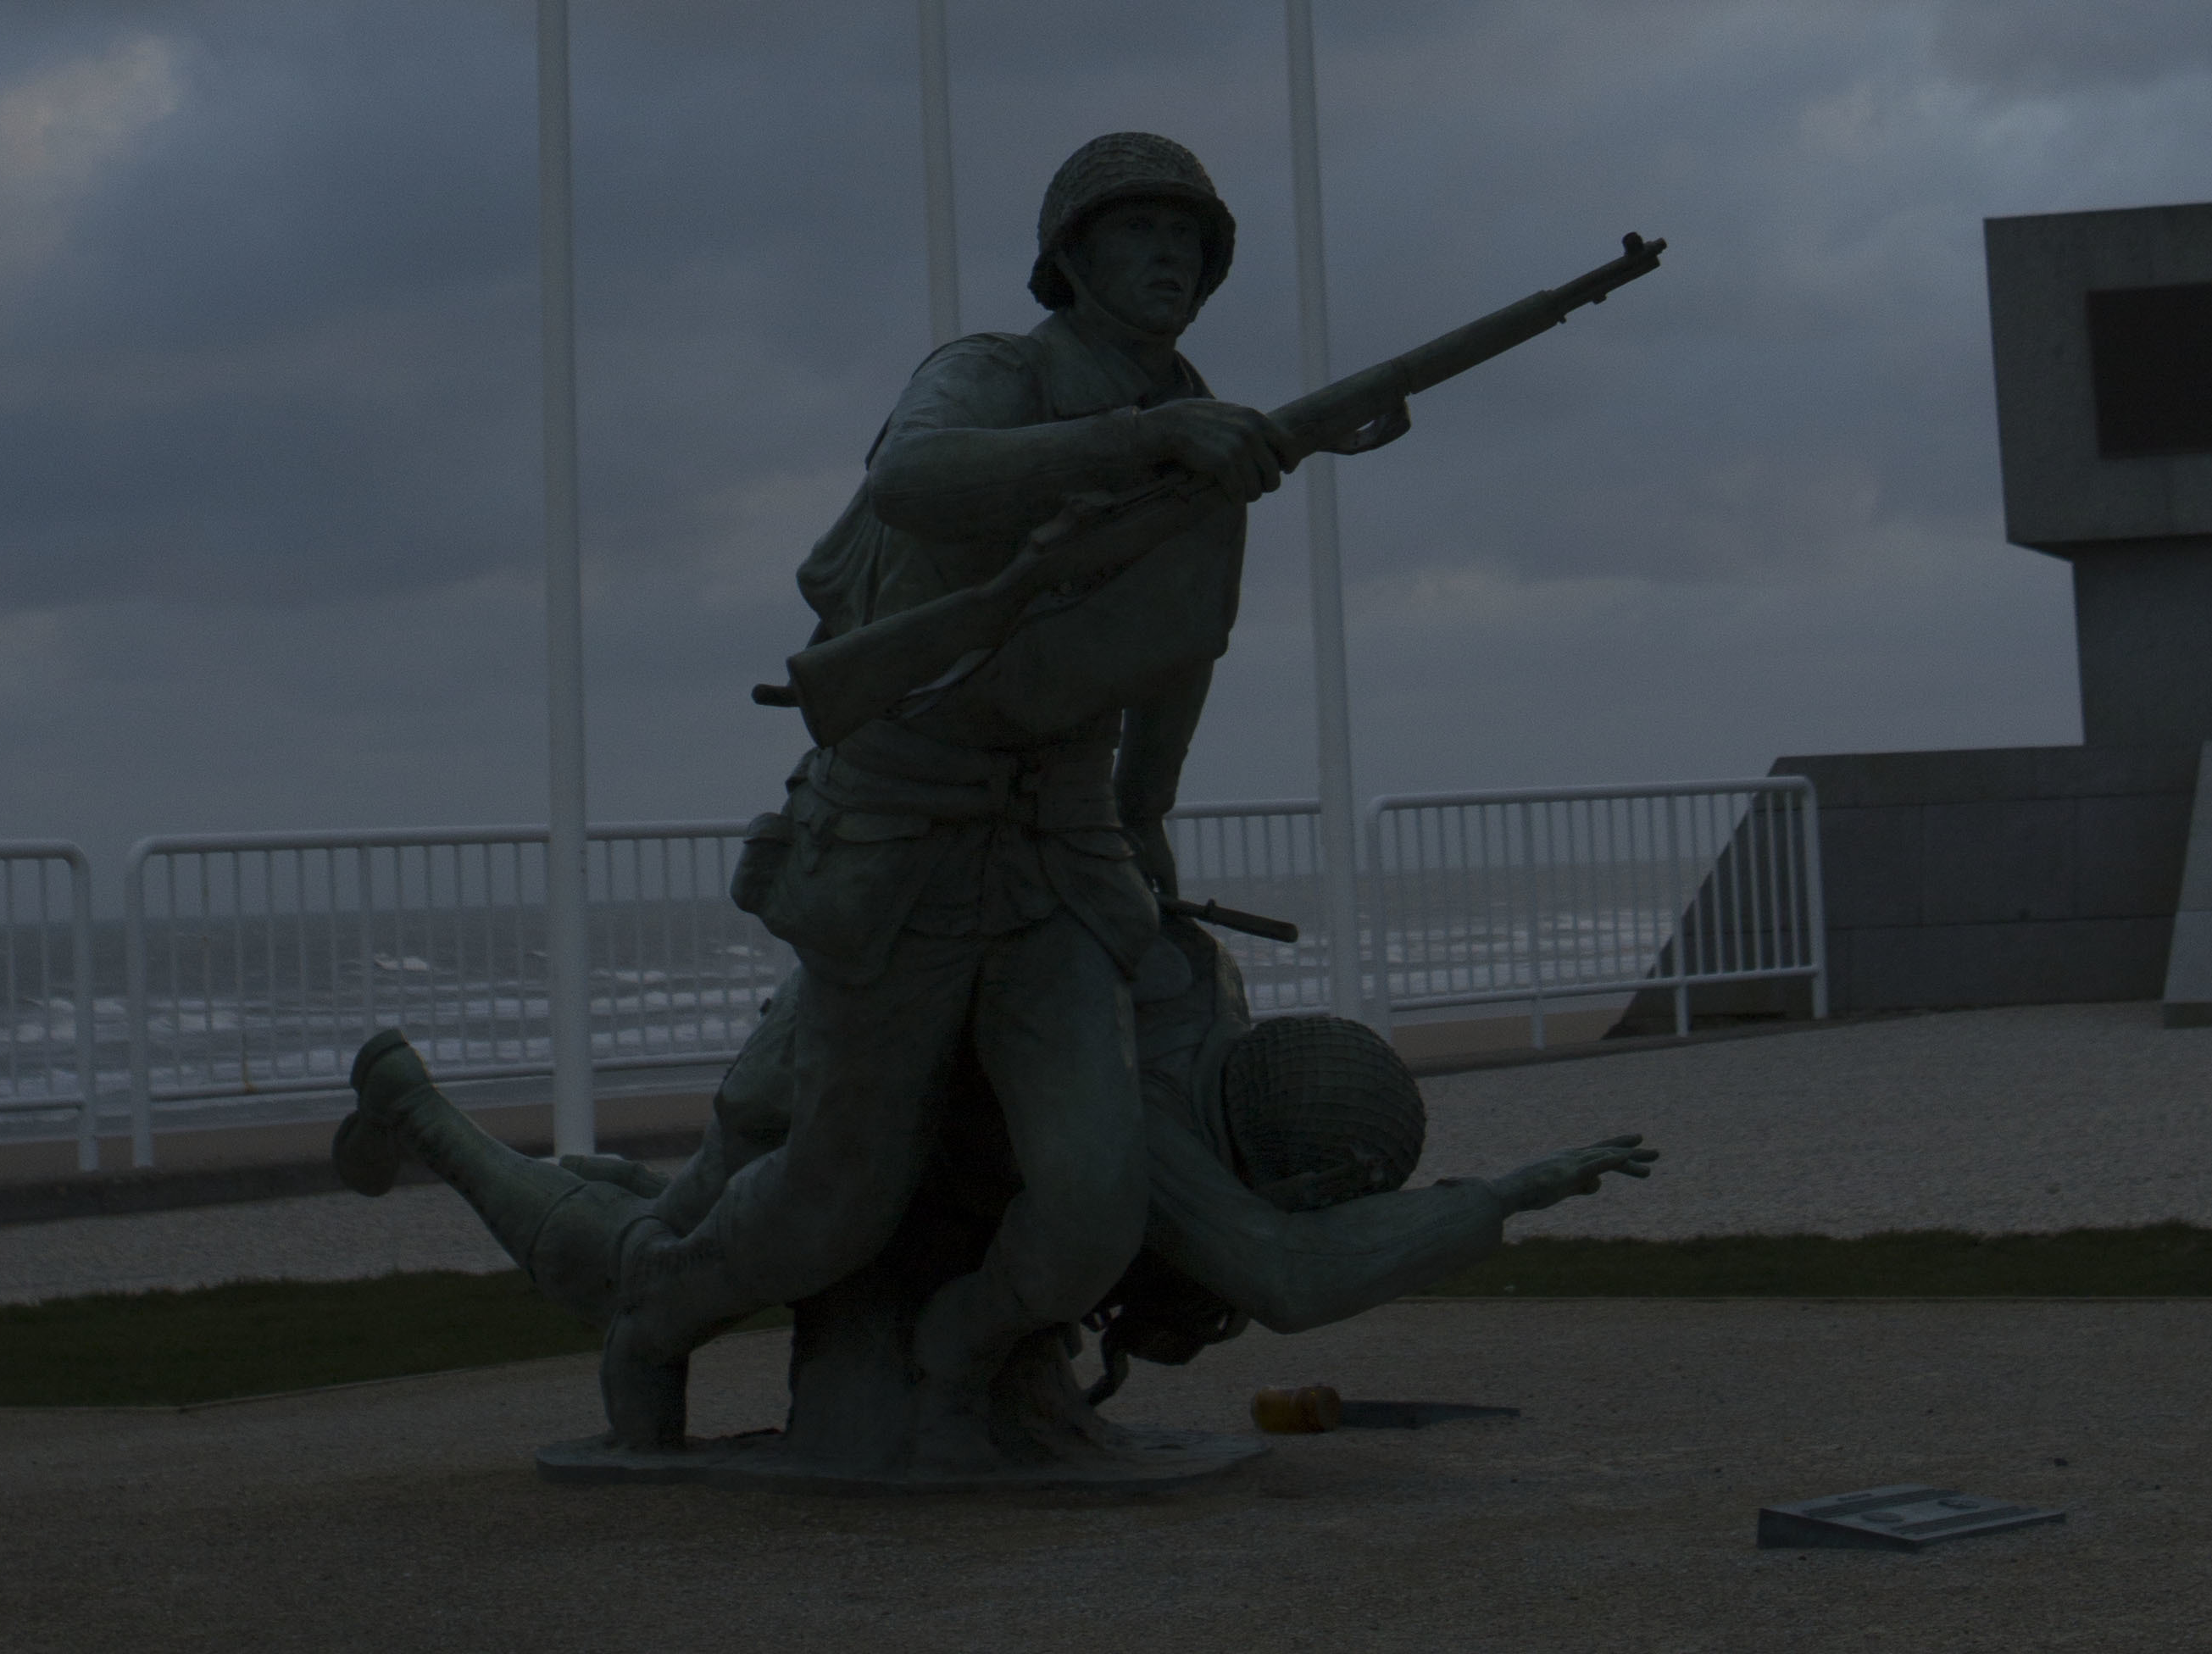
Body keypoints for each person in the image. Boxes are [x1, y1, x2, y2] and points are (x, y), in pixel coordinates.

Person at [596, 130, 1287, 1458]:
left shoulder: (1216, 436)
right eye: (1141, 233)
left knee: (1095, 1200)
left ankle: (962, 1363)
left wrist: (1148, 817)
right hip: (900, 835)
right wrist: (1145, 438)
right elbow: (913, 481)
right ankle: (654, 1320)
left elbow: (1183, 648)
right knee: (834, 1201)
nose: (1172, 258)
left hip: (1058, 853)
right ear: (1070, 258)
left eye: (1192, 241)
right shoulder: (998, 374)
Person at [334, 919, 1657, 1378]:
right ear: (1302, 1176)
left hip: (849, 1083)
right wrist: (1516, 1190)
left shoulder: (1203, 1011)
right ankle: (418, 1108)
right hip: (812, 1089)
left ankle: (585, 1169)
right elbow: (1290, 1276)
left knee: (670, 1207)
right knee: (630, 1271)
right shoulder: (1161, 1122)